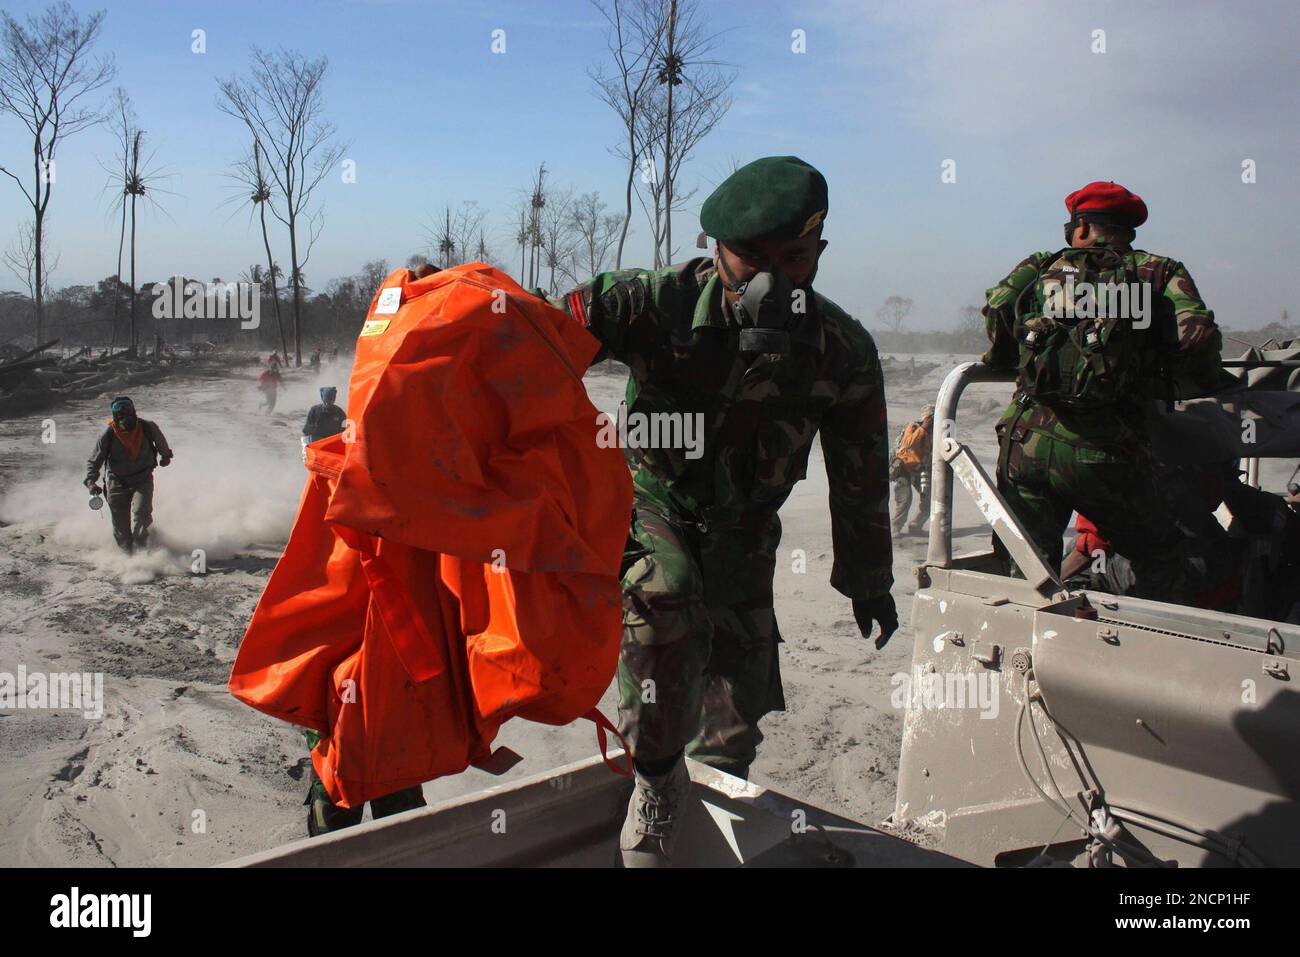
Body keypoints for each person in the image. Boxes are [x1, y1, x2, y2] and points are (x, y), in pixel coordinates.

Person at [552, 156, 897, 867]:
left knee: (730, 724)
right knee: (665, 595)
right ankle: (652, 782)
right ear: (716, 249)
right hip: (653, 502)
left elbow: (859, 474)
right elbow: (534, 347)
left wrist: (869, 577)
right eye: (751, 258)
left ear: (818, 254)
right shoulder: (653, 304)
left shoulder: (842, 350)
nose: (773, 279)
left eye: (795, 258)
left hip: (745, 537)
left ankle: (700, 818)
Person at [981, 181, 1224, 603]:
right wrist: (1192, 378)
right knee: (1165, 557)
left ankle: (1024, 653)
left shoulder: (1040, 266)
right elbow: (1195, 337)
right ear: (1127, 231)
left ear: (1080, 227)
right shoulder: (1158, 271)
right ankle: (1138, 651)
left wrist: (1007, 356)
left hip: (1025, 445)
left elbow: (1000, 309)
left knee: (1025, 571)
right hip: (1108, 451)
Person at [83, 396, 173, 554]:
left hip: (142, 478)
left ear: (135, 412)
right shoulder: (108, 434)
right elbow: (95, 460)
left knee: (142, 513)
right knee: (121, 526)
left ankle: (142, 551)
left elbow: (162, 444)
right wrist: (91, 481)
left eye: (129, 414)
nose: (126, 418)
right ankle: (126, 556)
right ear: (115, 417)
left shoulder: (147, 427)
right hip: (116, 481)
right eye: (121, 415)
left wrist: (165, 456)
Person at [890, 405, 934, 536]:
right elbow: (908, 443)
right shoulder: (913, 427)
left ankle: (916, 525)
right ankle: (896, 527)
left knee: (930, 499)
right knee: (905, 498)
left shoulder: (934, 434)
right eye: (932, 418)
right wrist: (923, 428)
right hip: (903, 467)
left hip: (920, 469)